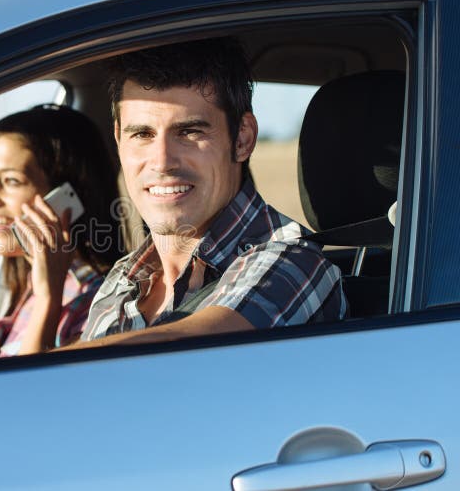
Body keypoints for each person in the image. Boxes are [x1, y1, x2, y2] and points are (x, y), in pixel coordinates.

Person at [76, 37, 346, 347]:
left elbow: (162, 362)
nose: (162, 161)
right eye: (142, 134)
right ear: (118, 141)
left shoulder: (293, 266)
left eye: (189, 132)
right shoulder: (121, 280)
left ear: (242, 139)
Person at [0, 104, 122, 357]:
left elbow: (25, 390)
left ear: (69, 197)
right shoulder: (31, 278)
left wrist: (48, 300)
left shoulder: (100, 303)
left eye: (11, 181)